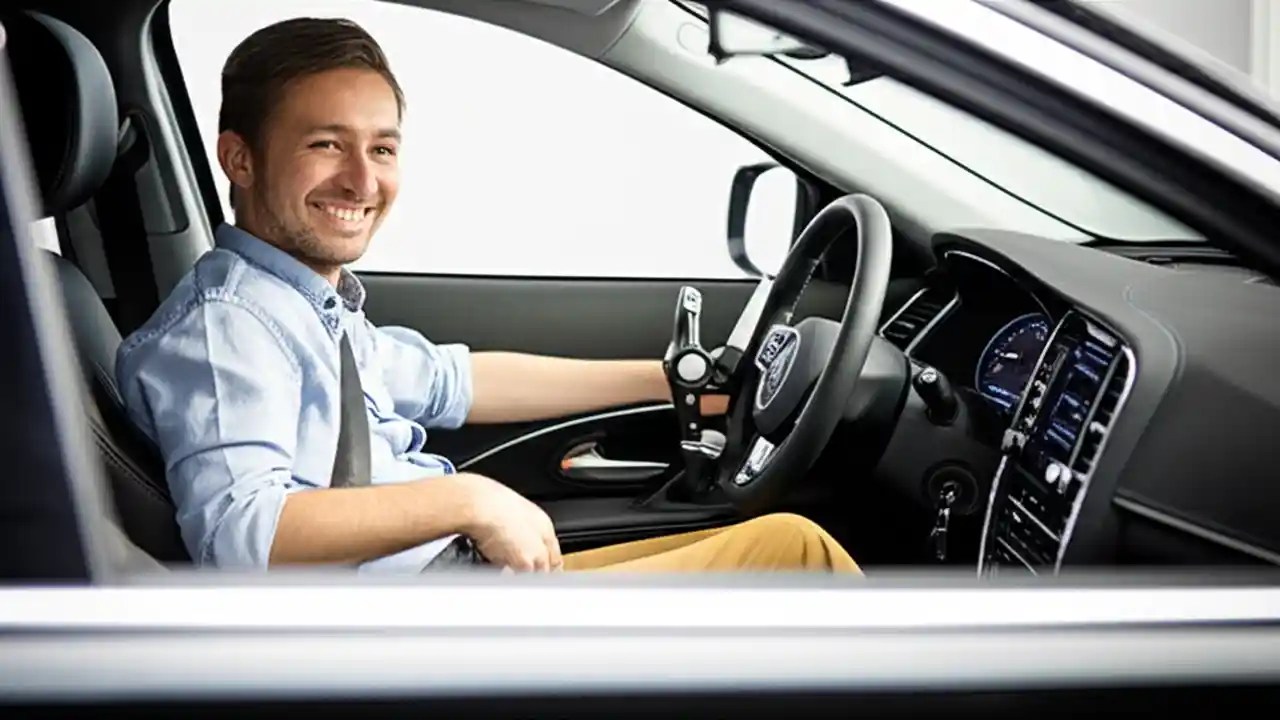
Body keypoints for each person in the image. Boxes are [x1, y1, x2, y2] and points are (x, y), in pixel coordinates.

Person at [114, 16, 860, 575]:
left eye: (381, 148)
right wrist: (466, 499)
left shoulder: (306, 303)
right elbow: (245, 537)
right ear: (239, 159)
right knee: (796, 560)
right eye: (325, 144)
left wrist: (671, 380)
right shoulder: (229, 324)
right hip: (405, 637)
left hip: (459, 585)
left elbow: (453, 380)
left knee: (785, 545)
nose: (362, 181)